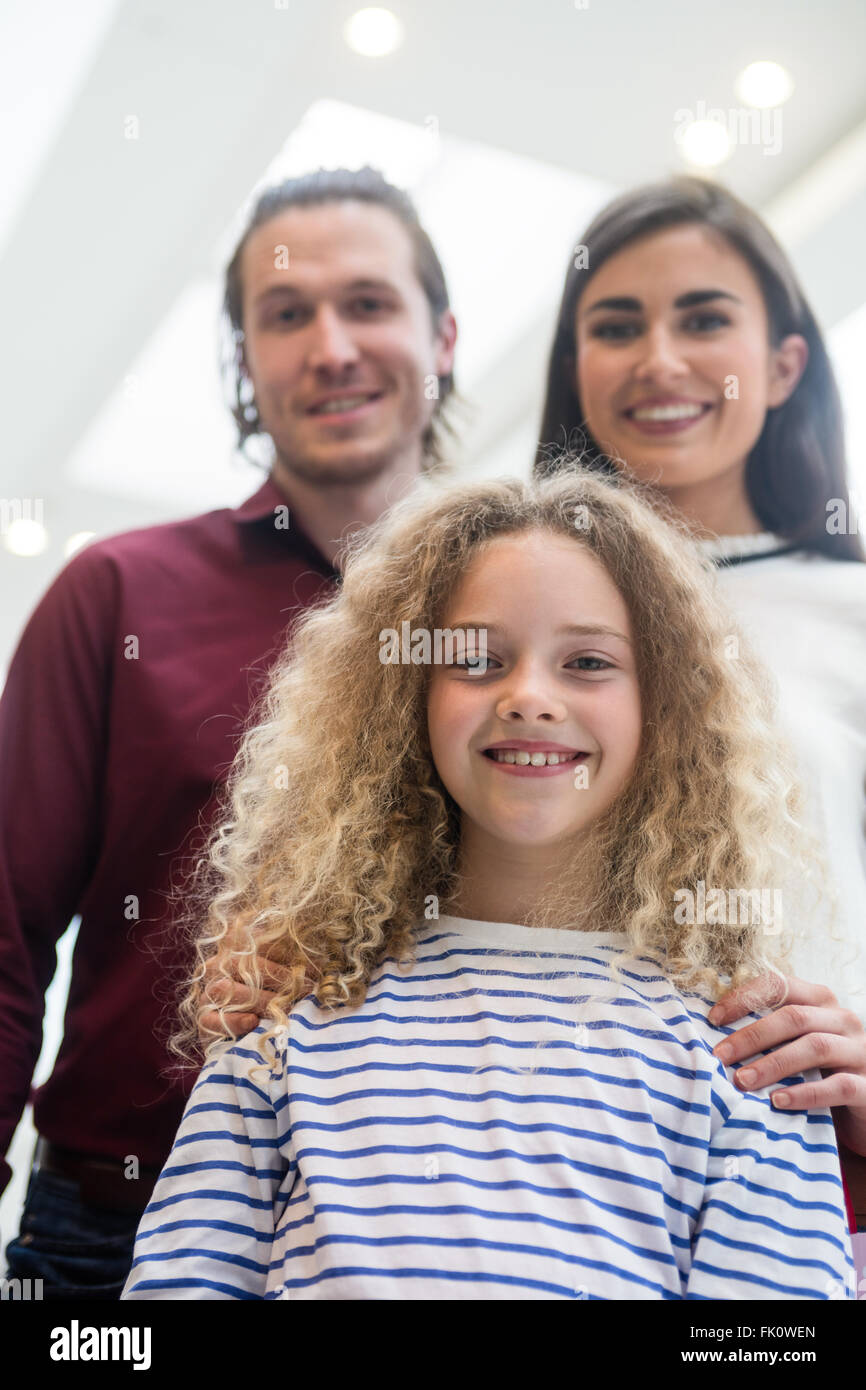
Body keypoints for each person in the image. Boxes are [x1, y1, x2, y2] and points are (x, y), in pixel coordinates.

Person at [122, 466, 854, 1300]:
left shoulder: (748, 1056)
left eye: (586, 661)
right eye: (476, 660)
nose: (530, 697)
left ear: (669, 707)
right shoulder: (287, 1023)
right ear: (408, 698)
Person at [0, 166, 457, 1298]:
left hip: (421, 1239)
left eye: (367, 303)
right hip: (109, 1237)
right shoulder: (117, 593)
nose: (330, 345)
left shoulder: (520, 620)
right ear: (244, 358)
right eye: (286, 314)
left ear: (441, 336)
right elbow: (2, 929)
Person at [533, 175, 866, 1233]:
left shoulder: (850, 610)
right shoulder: (510, 619)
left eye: (702, 318)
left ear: (782, 366)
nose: (658, 360)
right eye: (615, 325)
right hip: (544, 1173)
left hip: (804, 1183)